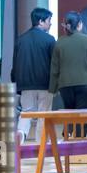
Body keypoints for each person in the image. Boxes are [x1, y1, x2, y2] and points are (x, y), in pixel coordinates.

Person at [12, 7, 55, 142]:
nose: (50, 23)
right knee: (43, 114)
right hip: (45, 84)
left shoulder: (21, 39)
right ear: (41, 21)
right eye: (49, 20)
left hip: (25, 84)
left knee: (26, 113)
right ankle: (41, 143)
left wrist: (17, 84)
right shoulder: (49, 40)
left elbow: (15, 64)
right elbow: (54, 64)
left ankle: (21, 133)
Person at [49, 11, 87, 109]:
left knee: (71, 116)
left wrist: (53, 89)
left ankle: (71, 125)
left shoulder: (59, 42)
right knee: (84, 117)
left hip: (65, 86)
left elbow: (55, 69)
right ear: (79, 24)